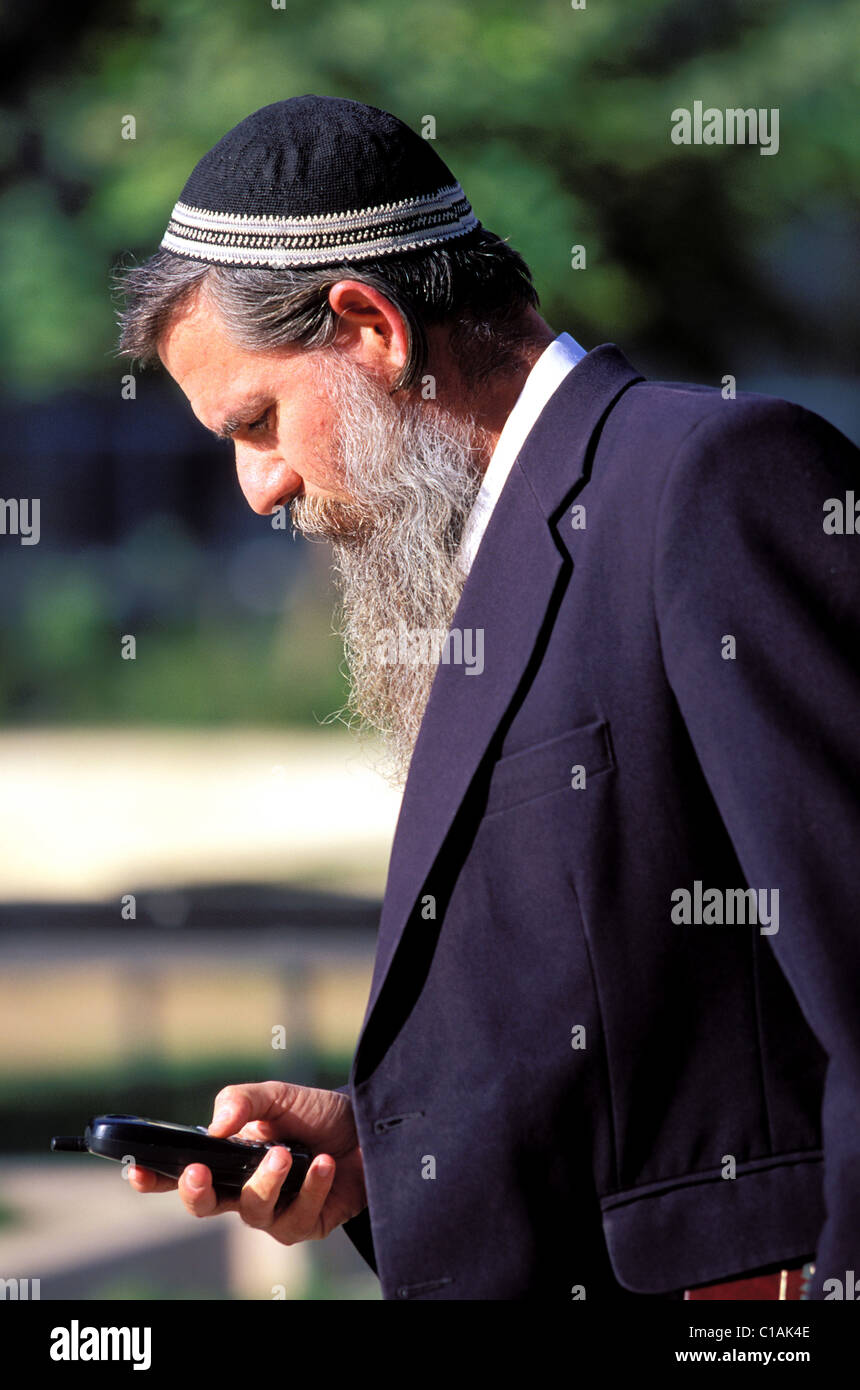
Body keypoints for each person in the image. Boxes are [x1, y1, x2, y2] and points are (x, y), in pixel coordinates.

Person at [115, 94, 859, 1301]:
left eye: (255, 422)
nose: (261, 488)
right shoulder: (494, 547)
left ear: (369, 327)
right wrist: (379, 1142)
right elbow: (640, 1017)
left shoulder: (707, 483)